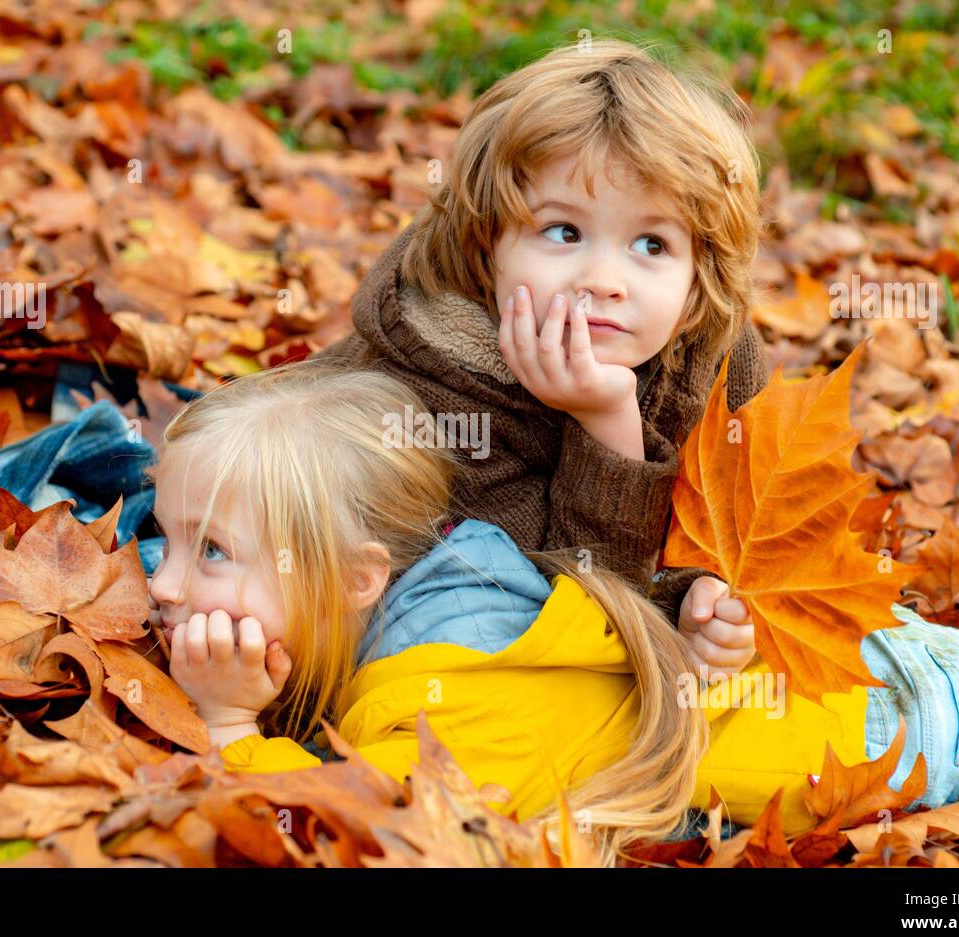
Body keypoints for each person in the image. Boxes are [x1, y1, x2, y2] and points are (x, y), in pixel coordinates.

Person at [144, 360, 959, 862]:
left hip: (906, 732)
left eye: (211, 549)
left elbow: (377, 836)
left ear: (358, 577)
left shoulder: (445, 693)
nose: (163, 582)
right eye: (168, 538)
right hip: (870, 673)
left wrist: (230, 724)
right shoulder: (463, 586)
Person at [311, 37, 768, 675]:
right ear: (485, 241)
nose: (606, 278)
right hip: (442, 608)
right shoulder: (434, 391)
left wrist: (705, 605)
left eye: (653, 244)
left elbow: (748, 535)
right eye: (564, 231)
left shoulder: (718, 358)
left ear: (700, 275)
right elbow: (564, 612)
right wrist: (607, 426)